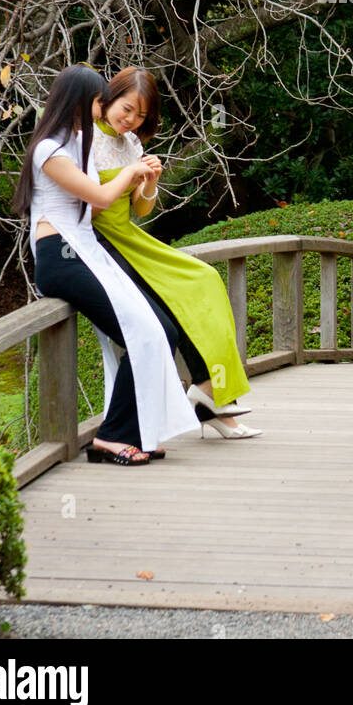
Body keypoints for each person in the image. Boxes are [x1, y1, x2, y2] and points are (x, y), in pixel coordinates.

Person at [13, 65, 198, 464]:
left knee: (162, 331)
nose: (103, 110)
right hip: (60, 257)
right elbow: (97, 198)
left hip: (87, 252)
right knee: (138, 333)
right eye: (99, 101)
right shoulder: (49, 149)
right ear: (77, 101)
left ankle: (137, 430)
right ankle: (111, 437)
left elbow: (123, 199)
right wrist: (131, 170)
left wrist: (143, 177)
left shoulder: (80, 142)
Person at [91, 68, 260, 439]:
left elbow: (141, 210)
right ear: (109, 97)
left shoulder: (131, 143)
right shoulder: (85, 141)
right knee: (171, 302)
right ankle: (206, 396)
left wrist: (149, 182)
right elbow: (87, 207)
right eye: (126, 108)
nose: (130, 120)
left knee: (205, 279)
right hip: (100, 241)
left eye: (140, 115)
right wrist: (128, 174)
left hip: (129, 235)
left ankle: (214, 390)